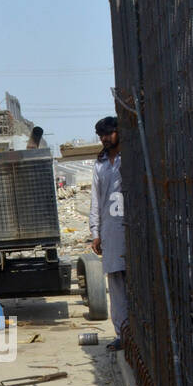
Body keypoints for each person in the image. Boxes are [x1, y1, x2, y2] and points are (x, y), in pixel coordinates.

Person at [89, 115, 127, 350]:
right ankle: (123, 334)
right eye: (101, 135)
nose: (104, 138)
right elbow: (96, 199)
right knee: (116, 284)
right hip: (111, 231)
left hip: (131, 227)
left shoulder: (128, 158)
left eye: (109, 133)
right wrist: (96, 232)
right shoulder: (100, 165)